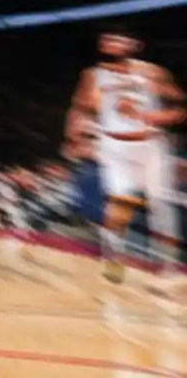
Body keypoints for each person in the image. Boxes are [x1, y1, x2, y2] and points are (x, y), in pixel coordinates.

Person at [65, 29, 183, 291]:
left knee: (161, 204)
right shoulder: (93, 75)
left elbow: (179, 105)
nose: (110, 43)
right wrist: (74, 134)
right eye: (106, 39)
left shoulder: (153, 73)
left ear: (135, 44)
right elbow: (81, 106)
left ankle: (168, 267)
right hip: (115, 145)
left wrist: (163, 115)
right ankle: (113, 255)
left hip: (151, 144)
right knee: (121, 203)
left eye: (117, 39)